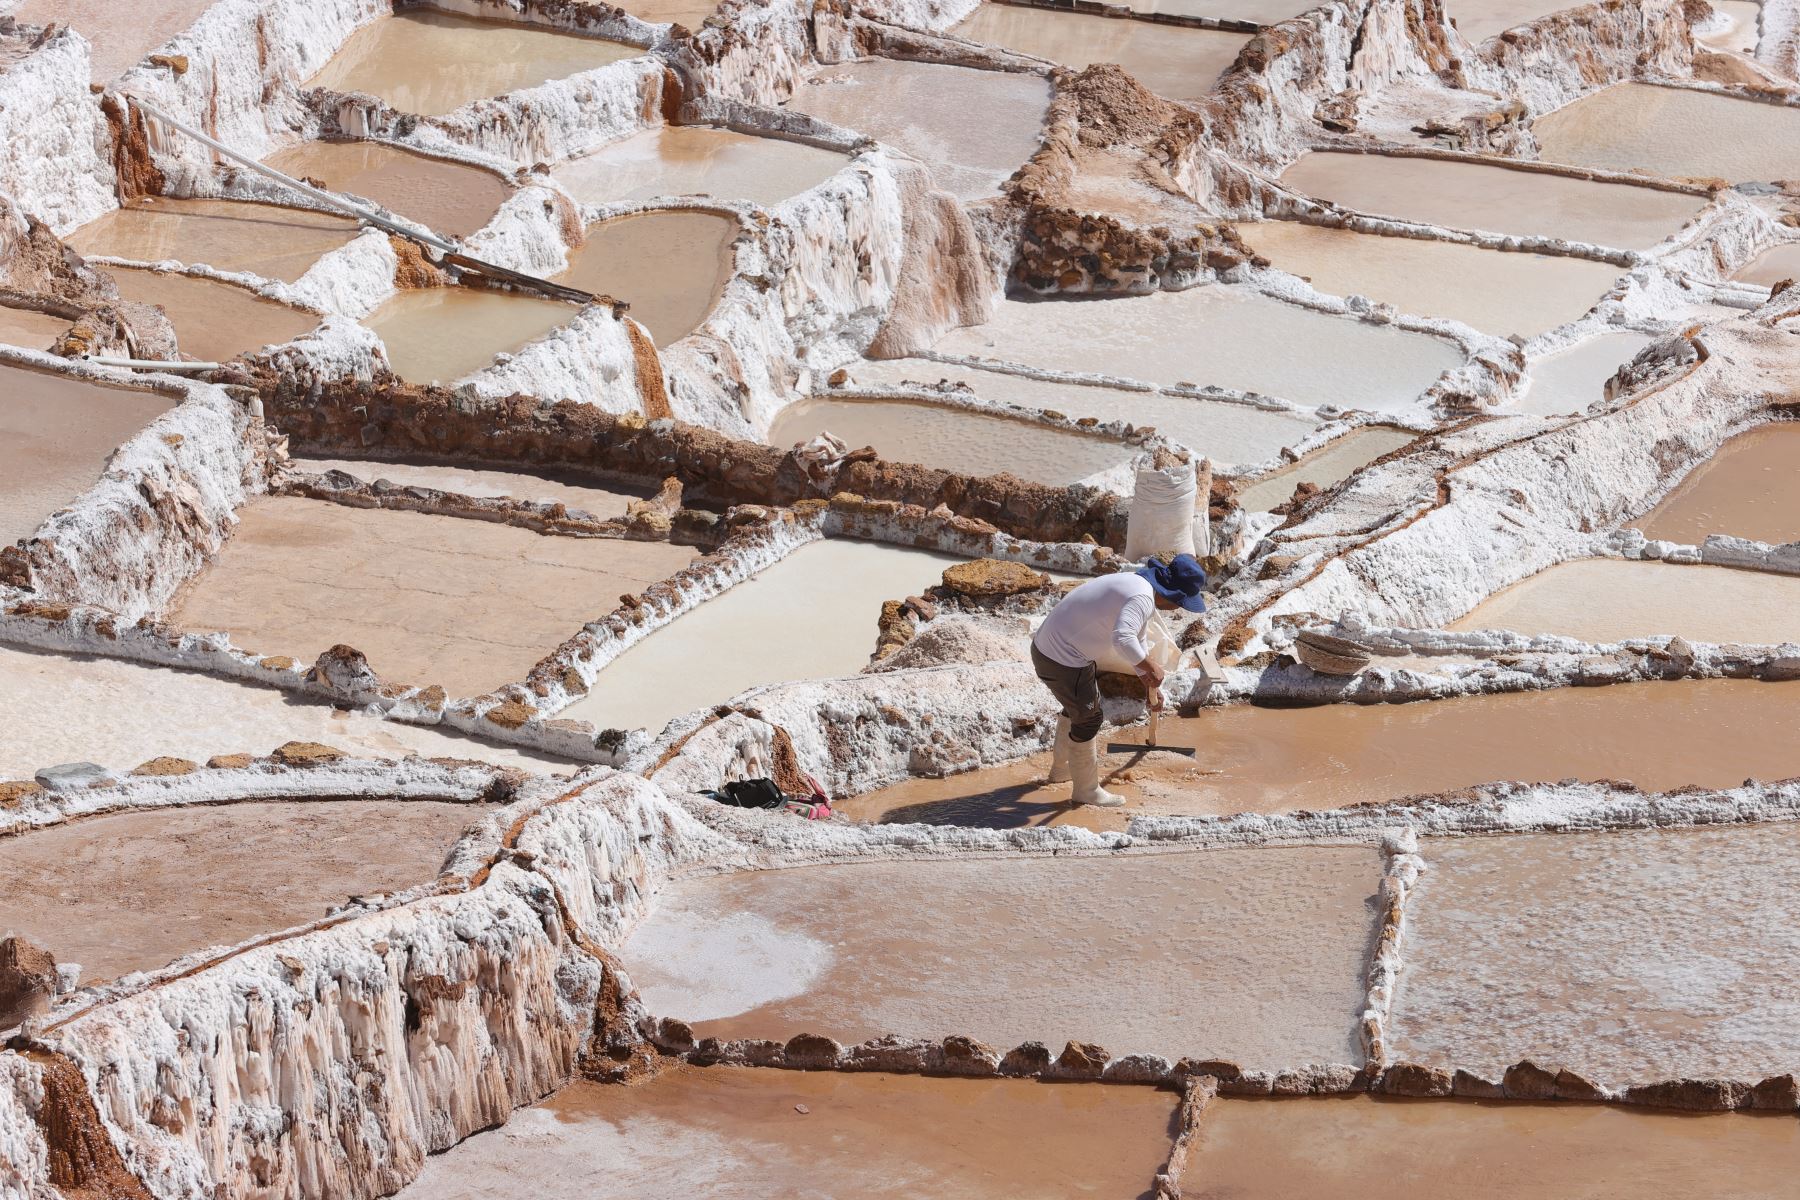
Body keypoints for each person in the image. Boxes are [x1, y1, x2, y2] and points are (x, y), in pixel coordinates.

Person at [1030, 554, 1207, 807]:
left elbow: (1138, 640)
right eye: (1182, 602)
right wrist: (1150, 666)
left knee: (1079, 708)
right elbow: (1123, 638)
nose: (1180, 608)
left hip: (1056, 649)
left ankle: (1062, 772)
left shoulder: (1138, 585)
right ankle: (1086, 791)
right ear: (1173, 595)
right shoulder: (1141, 598)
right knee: (1089, 718)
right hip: (1062, 657)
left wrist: (1147, 680)